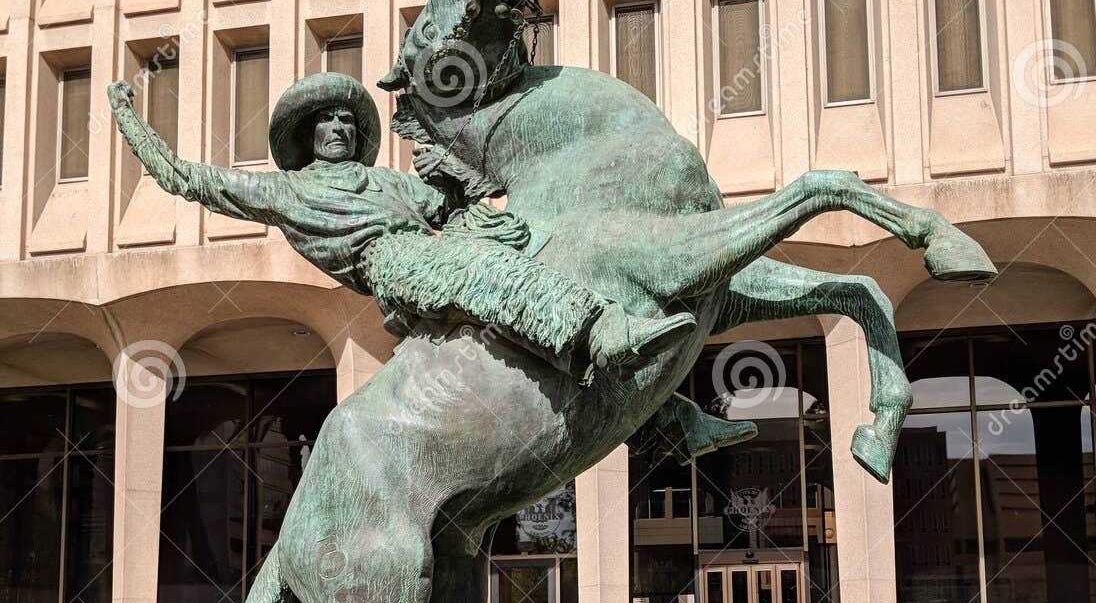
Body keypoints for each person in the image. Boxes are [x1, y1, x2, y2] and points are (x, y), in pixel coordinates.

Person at [106, 72, 693, 376]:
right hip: (389, 261)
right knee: (470, 270)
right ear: (308, 134)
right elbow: (186, 178)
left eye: (346, 121)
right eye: (326, 121)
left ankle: (673, 414)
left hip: (433, 240)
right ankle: (599, 333)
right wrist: (129, 118)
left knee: (525, 239)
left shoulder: (385, 181)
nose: (338, 127)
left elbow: (445, 206)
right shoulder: (285, 191)